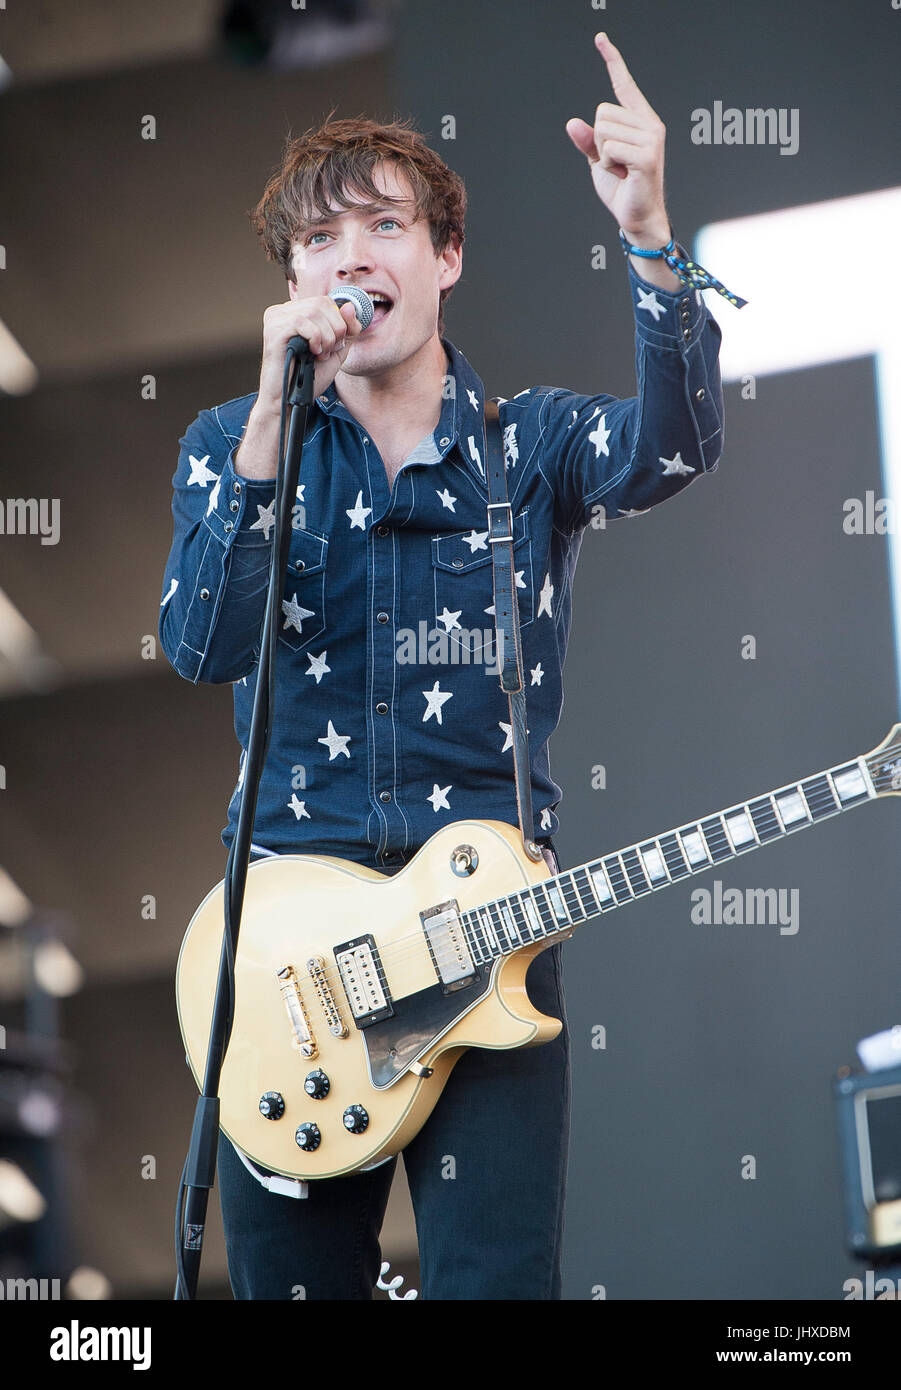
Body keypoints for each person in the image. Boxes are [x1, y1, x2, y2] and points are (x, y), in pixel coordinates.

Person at [159, 32, 732, 1299]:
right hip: (290, 968)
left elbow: (676, 448)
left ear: (445, 258)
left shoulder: (527, 446)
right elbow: (199, 641)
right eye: (317, 239)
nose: (347, 256)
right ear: (293, 278)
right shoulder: (234, 443)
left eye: (381, 225)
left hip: (486, 943)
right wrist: (268, 416)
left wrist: (647, 230)